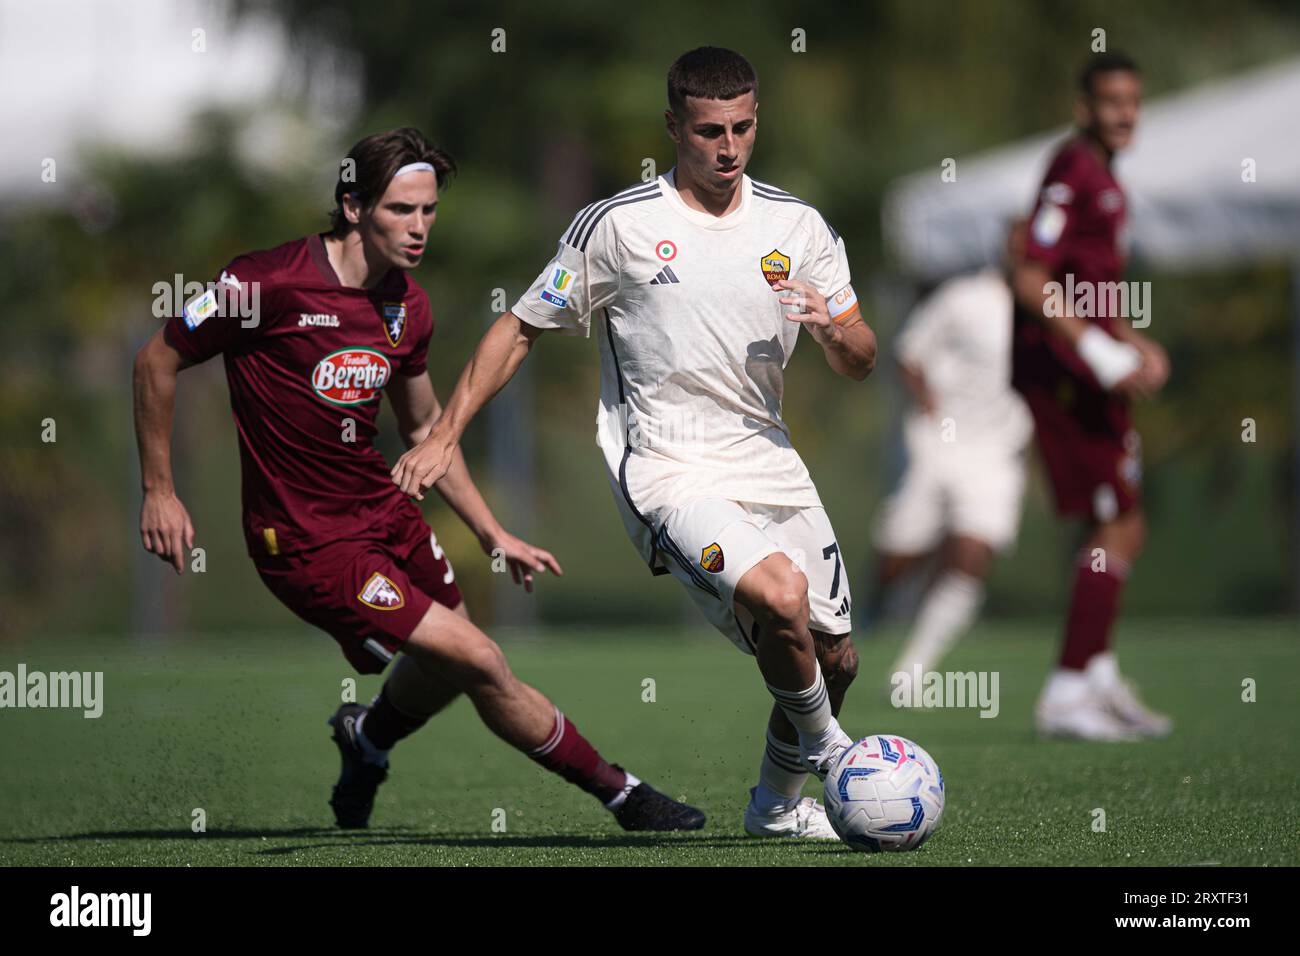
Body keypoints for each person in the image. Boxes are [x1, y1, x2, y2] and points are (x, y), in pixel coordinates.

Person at [133, 126, 705, 831]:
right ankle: (623, 794)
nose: (419, 226)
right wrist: (159, 490)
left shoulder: (407, 306)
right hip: (308, 542)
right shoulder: (264, 283)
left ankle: (367, 739)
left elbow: (426, 430)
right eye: (402, 210)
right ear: (352, 206)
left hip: (386, 512)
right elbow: (156, 361)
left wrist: (493, 532)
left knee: (441, 663)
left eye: (429, 210)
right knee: (480, 659)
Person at [391, 49, 877, 839]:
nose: (729, 147)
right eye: (710, 130)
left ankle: (777, 809)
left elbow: (861, 357)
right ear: (673, 127)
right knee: (781, 595)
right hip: (669, 469)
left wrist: (831, 328)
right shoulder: (618, 226)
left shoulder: (798, 225)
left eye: (744, 128)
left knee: (836, 659)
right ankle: (834, 752)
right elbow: (519, 328)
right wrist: (446, 434)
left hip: (770, 458)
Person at [1009, 53, 1173, 740]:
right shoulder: (1072, 169)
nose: (1125, 114)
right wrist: (1098, 350)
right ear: (1085, 108)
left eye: (1133, 101)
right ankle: (1067, 692)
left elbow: (1089, 289)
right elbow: (1028, 274)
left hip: (1095, 369)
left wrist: (1130, 340)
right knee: (1113, 522)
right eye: (1112, 102)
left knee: (1124, 524)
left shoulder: (1108, 179)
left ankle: (1096, 673)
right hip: (1066, 377)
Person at [872, 222, 1033, 699]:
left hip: (998, 453)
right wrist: (926, 405)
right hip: (940, 444)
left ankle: (914, 671)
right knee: (901, 553)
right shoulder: (965, 298)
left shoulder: (1061, 310)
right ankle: (861, 620)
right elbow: (909, 353)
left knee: (973, 551)